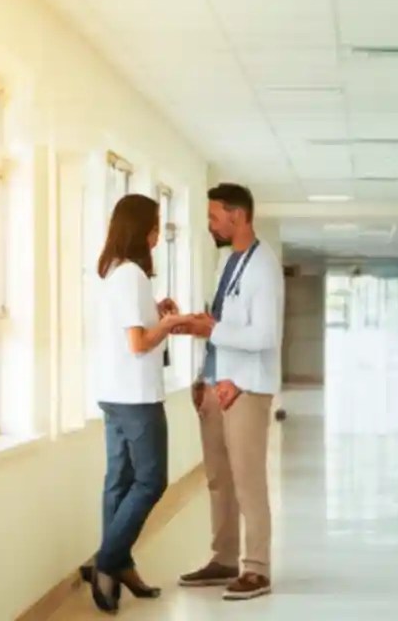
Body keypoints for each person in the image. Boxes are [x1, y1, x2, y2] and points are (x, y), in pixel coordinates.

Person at [176, 183, 284, 601]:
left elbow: (265, 335)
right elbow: (221, 323)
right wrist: (200, 361)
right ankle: (223, 558)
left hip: (245, 391)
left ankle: (256, 568)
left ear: (237, 216)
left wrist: (213, 329)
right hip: (216, 386)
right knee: (219, 479)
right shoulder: (227, 263)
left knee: (247, 481)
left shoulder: (263, 266)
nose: (210, 225)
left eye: (214, 218)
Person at [88, 193, 186, 613]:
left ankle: (118, 567)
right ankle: (106, 561)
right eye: (155, 225)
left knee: (120, 481)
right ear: (140, 229)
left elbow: (133, 329)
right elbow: (139, 343)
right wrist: (168, 323)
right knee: (151, 480)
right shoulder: (131, 275)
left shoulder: (115, 272)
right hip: (136, 397)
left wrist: (155, 313)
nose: (157, 235)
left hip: (114, 393)